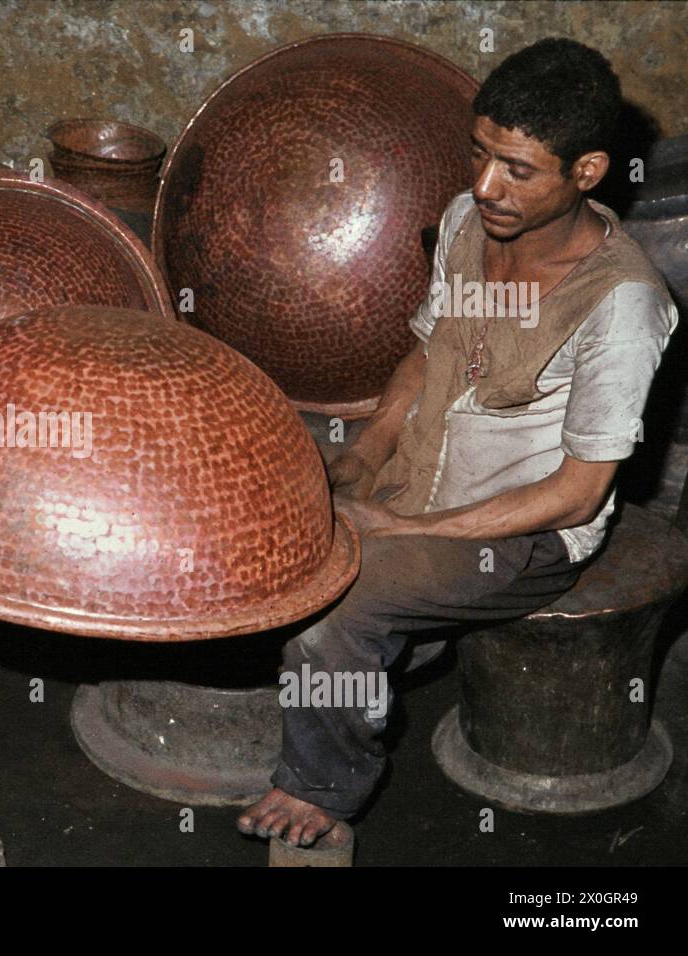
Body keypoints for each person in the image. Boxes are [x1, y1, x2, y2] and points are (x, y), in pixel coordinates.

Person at [238, 38, 678, 847]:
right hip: (416, 474)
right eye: (478, 154)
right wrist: (364, 455)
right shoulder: (468, 222)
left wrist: (402, 532)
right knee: (257, 502)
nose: (484, 186)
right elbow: (428, 350)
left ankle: (322, 787)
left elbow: (578, 492)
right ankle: (363, 670)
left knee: (333, 609)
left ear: (586, 172)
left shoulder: (621, 305)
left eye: (516, 168)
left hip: (524, 533)